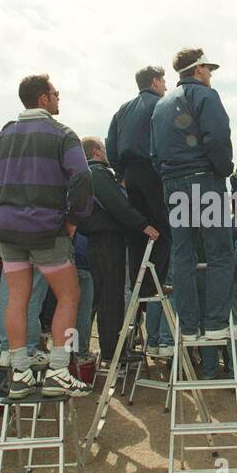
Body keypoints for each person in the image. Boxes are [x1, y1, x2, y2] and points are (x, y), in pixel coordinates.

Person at [0, 73, 93, 398]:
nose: (59, 98)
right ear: (43, 98)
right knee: (69, 296)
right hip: (48, 230)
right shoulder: (62, 134)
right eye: (55, 93)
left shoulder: (1, 137)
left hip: (9, 232)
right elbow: (83, 179)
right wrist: (74, 219)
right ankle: (59, 369)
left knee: (17, 298)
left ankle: (19, 372)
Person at [150, 48, 237, 344]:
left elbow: (154, 153)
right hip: (204, 180)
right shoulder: (205, 95)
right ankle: (217, 323)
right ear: (198, 69)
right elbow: (217, 138)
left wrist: (170, 177)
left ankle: (188, 327)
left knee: (183, 255)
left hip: (173, 184)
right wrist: (223, 170)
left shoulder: (161, 105)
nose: (210, 74)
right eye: (208, 69)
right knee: (219, 252)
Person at [107, 65, 174, 356]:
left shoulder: (122, 109)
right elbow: (170, 139)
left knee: (139, 233)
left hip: (131, 174)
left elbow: (111, 143)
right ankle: (157, 284)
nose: (166, 86)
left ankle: (141, 281)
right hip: (154, 171)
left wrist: (120, 172)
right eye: (164, 81)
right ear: (156, 82)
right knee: (166, 229)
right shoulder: (162, 104)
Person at [78, 137, 159, 363]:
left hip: (101, 241)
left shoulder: (88, 174)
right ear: (96, 152)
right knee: (111, 298)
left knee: (109, 297)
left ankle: (114, 349)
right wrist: (143, 225)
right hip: (106, 240)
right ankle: (115, 352)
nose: (107, 153)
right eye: (103, 149)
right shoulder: (97, 174)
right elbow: (117, 204)